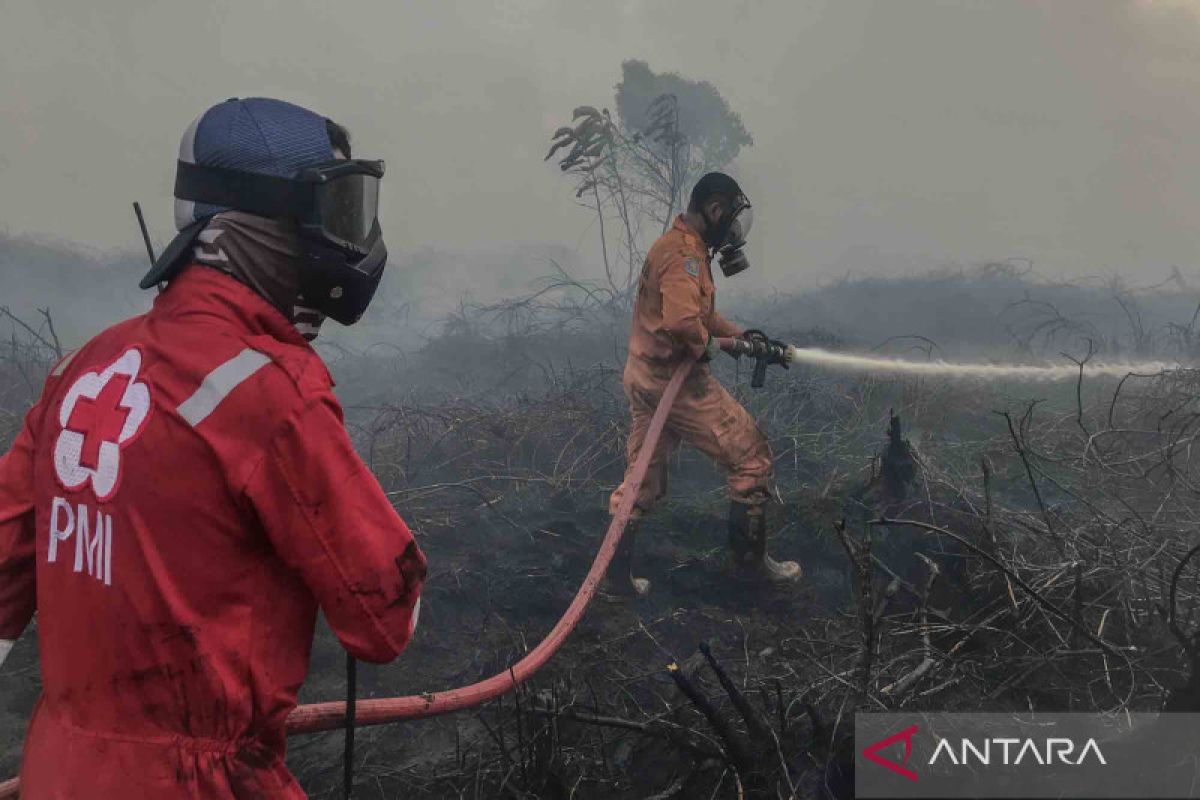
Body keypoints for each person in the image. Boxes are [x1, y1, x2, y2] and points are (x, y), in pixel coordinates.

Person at [0, 97, 426, 798]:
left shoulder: (76, 370)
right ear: (262, 227)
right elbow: (385, 621)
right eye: (337, 215)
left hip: (58, 772)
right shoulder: (270, 390)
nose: (352, 243)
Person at [607, 172, 801, 596]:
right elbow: (683, 324)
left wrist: (741, 340)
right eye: (730, 220)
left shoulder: (678, 247)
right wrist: (707, 346)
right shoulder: (685, 258)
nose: (732, 233)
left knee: (643, 478)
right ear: (714, 209)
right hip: (675, 384)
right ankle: (750, 570)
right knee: (751, 456)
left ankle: (615, 576)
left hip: (644, 375)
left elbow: (697, 315)